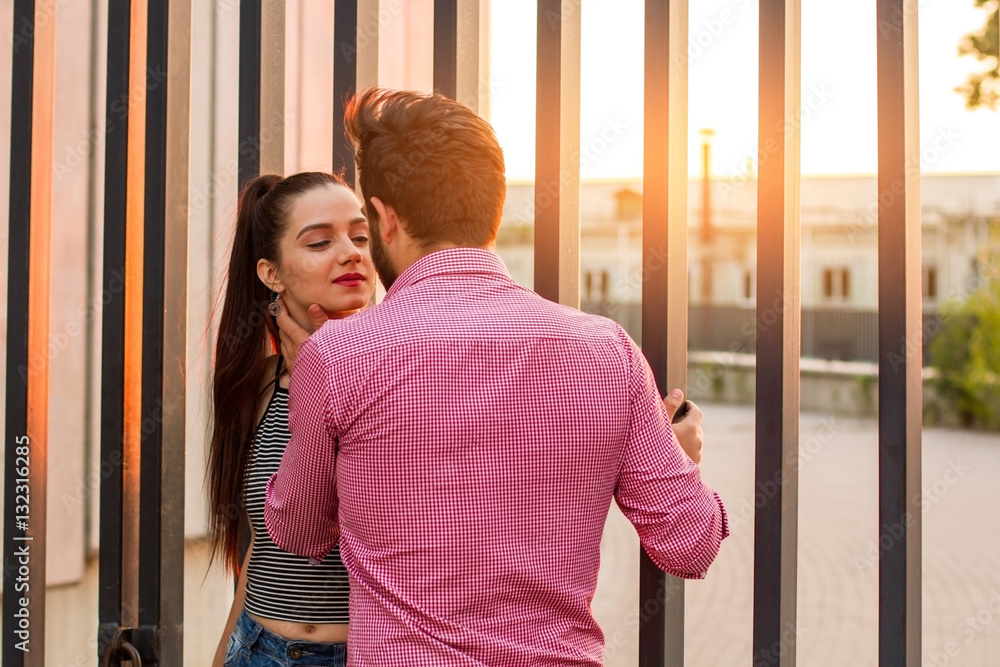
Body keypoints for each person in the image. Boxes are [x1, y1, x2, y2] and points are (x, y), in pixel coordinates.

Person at [264, 88, 728, 666]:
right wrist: (675, 456)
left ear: (384, 218)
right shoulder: (605, 351)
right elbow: (692, 546)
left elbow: (300, 533)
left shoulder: (338, 355)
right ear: (492, 208)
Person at [208, 171, 376, 667]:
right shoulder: (258, 385)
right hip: (258, 648)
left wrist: (323, 374)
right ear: (271, 274)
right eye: (321, 241)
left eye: (361, 236)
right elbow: (258, 549)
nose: (351, 252)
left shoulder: (402, 376)